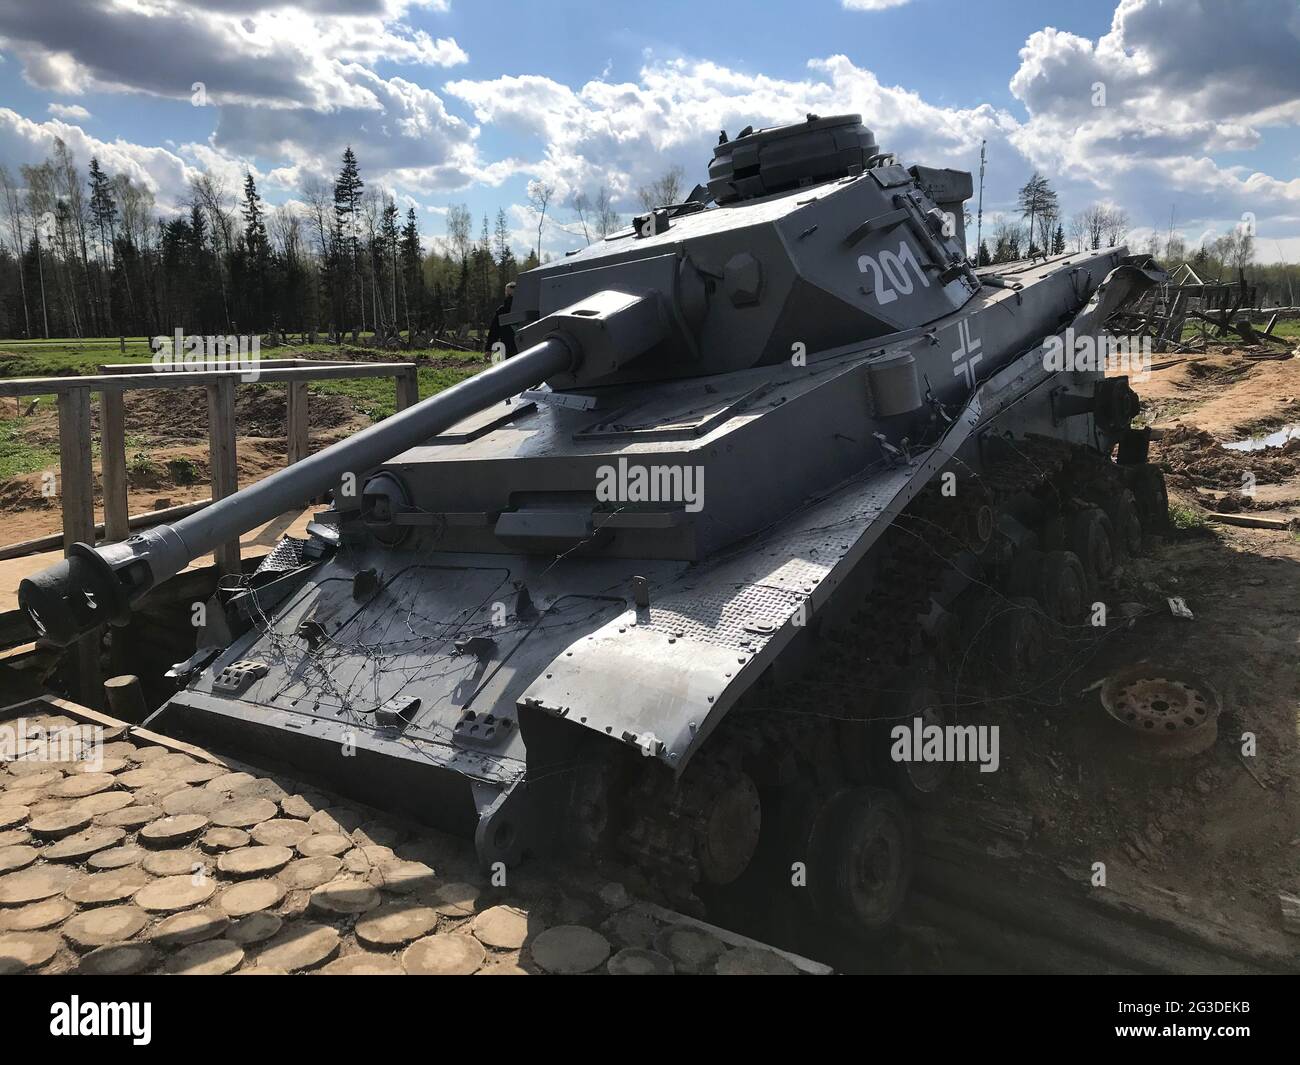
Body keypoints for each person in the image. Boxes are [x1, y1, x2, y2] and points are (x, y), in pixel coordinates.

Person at [485, 280, 518, 360]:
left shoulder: (501, 310)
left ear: (506, 293)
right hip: (523, 345)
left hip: (506, 347)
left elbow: (494, 331)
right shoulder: (525, 308)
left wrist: (488, 349)